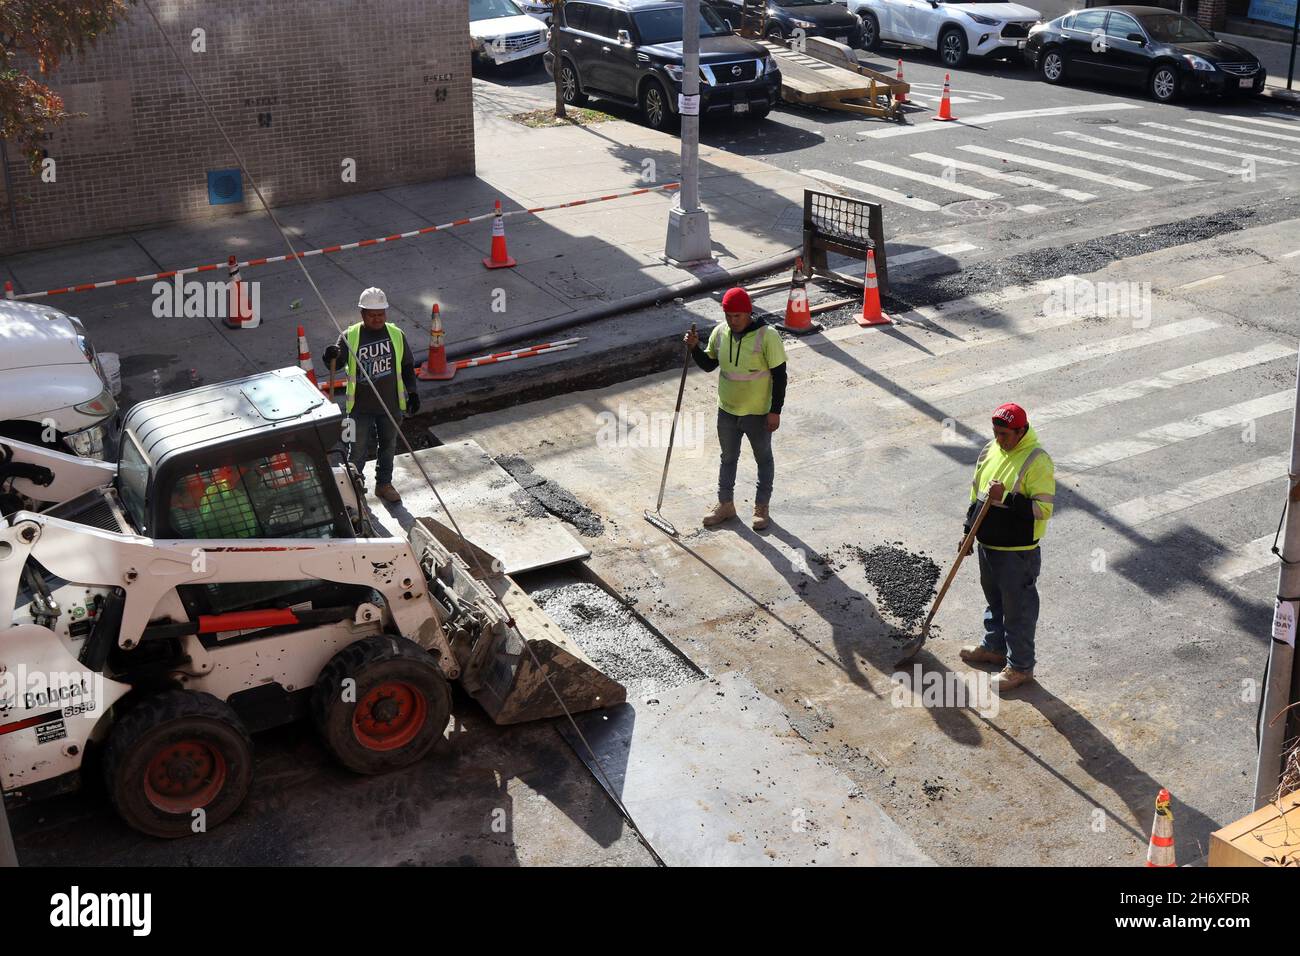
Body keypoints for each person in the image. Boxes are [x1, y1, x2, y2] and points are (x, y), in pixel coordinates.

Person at [958, 402, 1056, 693]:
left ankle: (1020, 667)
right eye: (995, 432)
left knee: (1019, 610)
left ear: (1021, 430)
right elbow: (976, 494)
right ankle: (995, 647)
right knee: (995, 602)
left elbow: (1043, 510)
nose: (999, 439)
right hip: (988, 544)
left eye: (1005, 434)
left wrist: (1007, 499)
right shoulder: (990, 450)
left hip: (1017, 552)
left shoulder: (1037, 460)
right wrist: (967, 532)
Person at [683, 286, 787, 531]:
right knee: (728, 458)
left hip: (757, 413)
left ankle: (762, 508)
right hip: (727, 410)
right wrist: (694, 348)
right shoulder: (721, 333)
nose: (732, 321)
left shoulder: (767, 336)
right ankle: (725, 505)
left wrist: (775, 410)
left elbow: (780, 376)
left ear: (748, 313)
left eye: (737, 316)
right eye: (728, 316)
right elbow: (709, 365)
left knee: (763, 459)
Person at [323, 287, 420, 504]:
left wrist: (412, 392)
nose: (377, 319)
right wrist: (329, 355)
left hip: (390, 405)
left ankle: (384, 484)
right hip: (359, 408)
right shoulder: (350, 336)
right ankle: (354, 492)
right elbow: (335, 364)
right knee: (355, 451)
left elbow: (407, 366)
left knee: (388, 446)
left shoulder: (396, 335)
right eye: (372, 315)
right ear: (362, 314)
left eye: (381, 314)